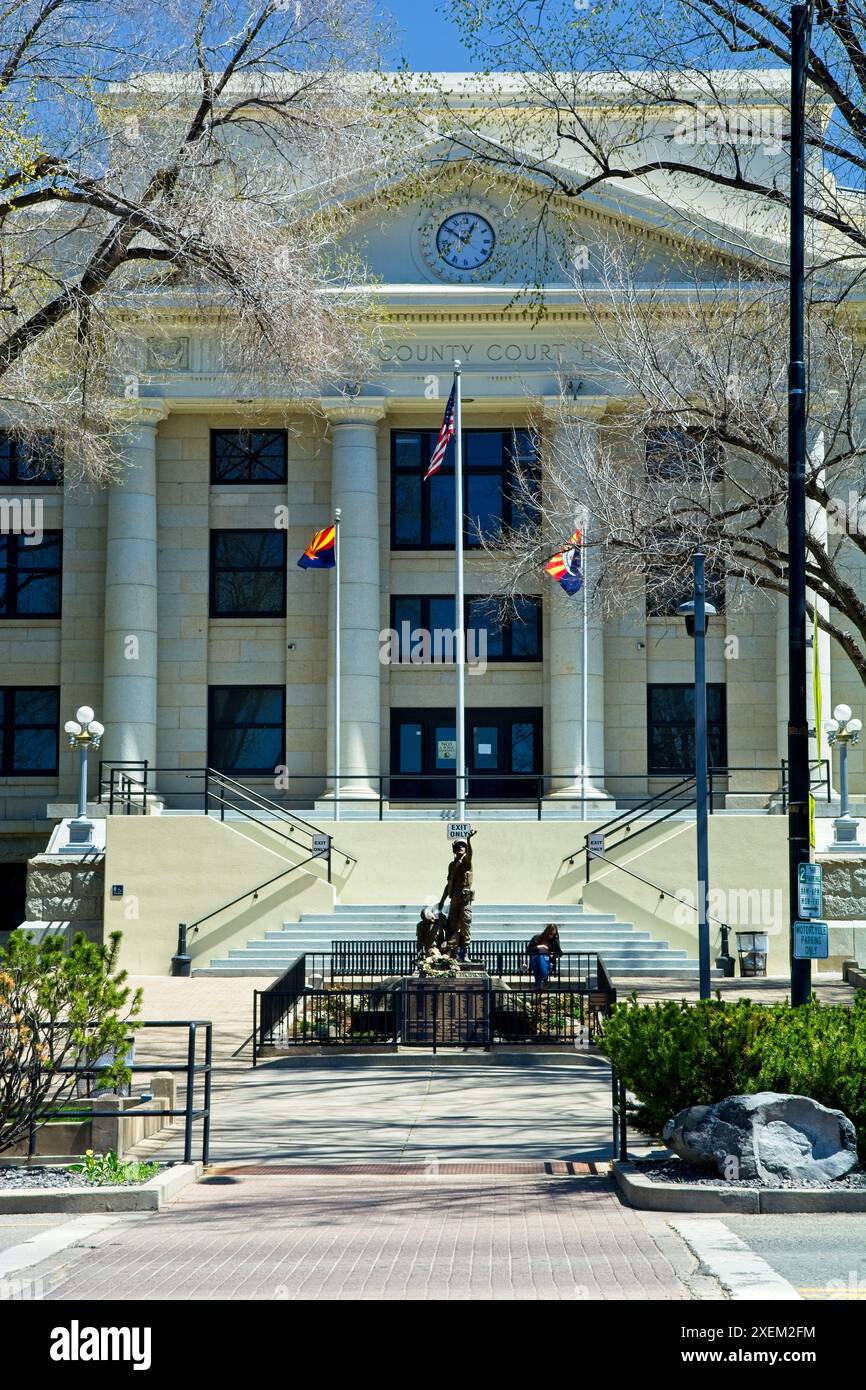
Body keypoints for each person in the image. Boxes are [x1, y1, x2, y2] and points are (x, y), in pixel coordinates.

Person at [438, 829, 476, 960]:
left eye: (463, 845)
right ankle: (451, 953)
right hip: (454, 898)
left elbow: (470, 854)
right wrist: (442, 900)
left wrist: (469, 840)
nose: (461, 847)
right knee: (452, 926)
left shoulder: (467, 862)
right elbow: (449, 884)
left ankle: (465, 953)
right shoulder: (452, 865)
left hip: (465, 899)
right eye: (458, 845)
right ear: (454, 849)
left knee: (465, 925)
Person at [526, 923, 562, 987]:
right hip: (535, 960)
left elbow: (560, 953)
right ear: (546, 932)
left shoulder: (554, 941)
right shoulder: (537, 938)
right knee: (539, 957)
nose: (551, 936)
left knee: (540, 960)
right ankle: (544, 978)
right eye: (550, 934)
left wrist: (553, 954)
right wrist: (538, 947)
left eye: (554, 934)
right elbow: (528, 950)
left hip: (548, 962)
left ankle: (538, 984)